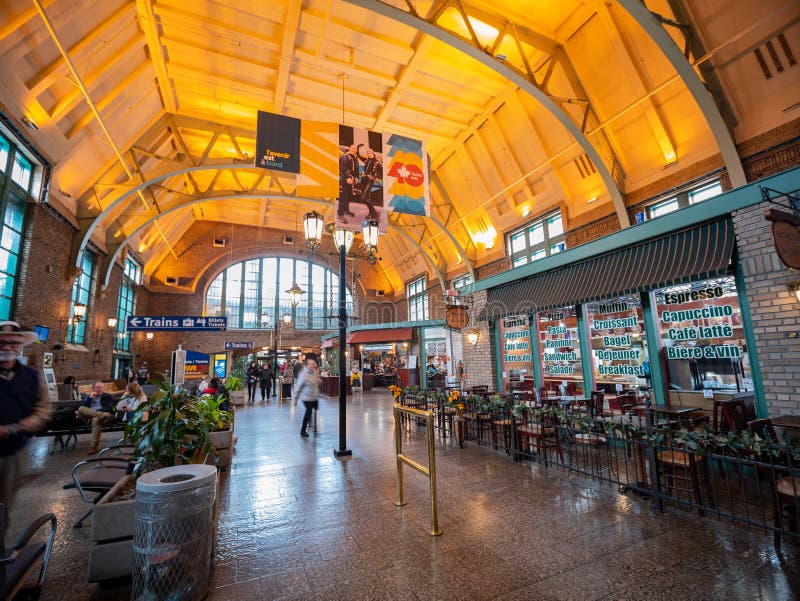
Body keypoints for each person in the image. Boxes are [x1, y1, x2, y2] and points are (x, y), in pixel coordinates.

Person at [0, 321, 52, 528]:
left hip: (13, 451)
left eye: (13, 343)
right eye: (2, 343)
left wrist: (32, 421)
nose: (7, 347)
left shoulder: (32, 376)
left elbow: (43, 407)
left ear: (20, 346)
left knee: (5, 503)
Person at [77, 381, 115, 454]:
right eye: (98, 387)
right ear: (93, 388)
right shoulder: (88, 396)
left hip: (103, 418)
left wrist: (96, 412)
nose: (100, 389)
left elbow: (108, 408)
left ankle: (93, 447)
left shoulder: (107, 396)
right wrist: (90, 398)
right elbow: (82, 407)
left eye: (101, 387)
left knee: (96, 420)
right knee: (81, 408)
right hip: (92, 417)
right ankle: (99, 415)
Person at [294, 355, 321, 437]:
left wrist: (318, 379)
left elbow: (317, 382)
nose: (313, 365)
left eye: (314, 364)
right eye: (311, 364)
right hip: (306, 397)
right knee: (309, 411)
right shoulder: (303, 374)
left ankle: (310, 421)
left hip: (313, 397)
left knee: (314, 409)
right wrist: (295, 399)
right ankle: (303, 431)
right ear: (307, 365)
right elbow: (298, 387)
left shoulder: (314, 372)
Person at [359, 148, 382, 219]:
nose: (369, 154)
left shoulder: (377, 162)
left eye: (370, 153)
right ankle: (371, 212)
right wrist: (364, 173)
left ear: (373, 153)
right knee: (367, 198)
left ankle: (373, 211)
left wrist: (375, 178)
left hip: (370, 181)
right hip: (364, 180)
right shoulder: (367, 160)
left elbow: (380, 173)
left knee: (363, 198)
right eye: (368, 153)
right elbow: (365, 169)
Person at [337, 144, 358, 219]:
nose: (354, 150)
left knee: (348, 196)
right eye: (352, 148)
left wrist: (356, 177)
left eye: (355, 149)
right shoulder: (345, 156)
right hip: (346, 178)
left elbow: (354, 170)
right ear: (349, 148)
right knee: (344, 196)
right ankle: (340, 214)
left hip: (351, 179)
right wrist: (348, 177)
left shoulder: (354, 158)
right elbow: (342, 168)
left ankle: (346, 210)